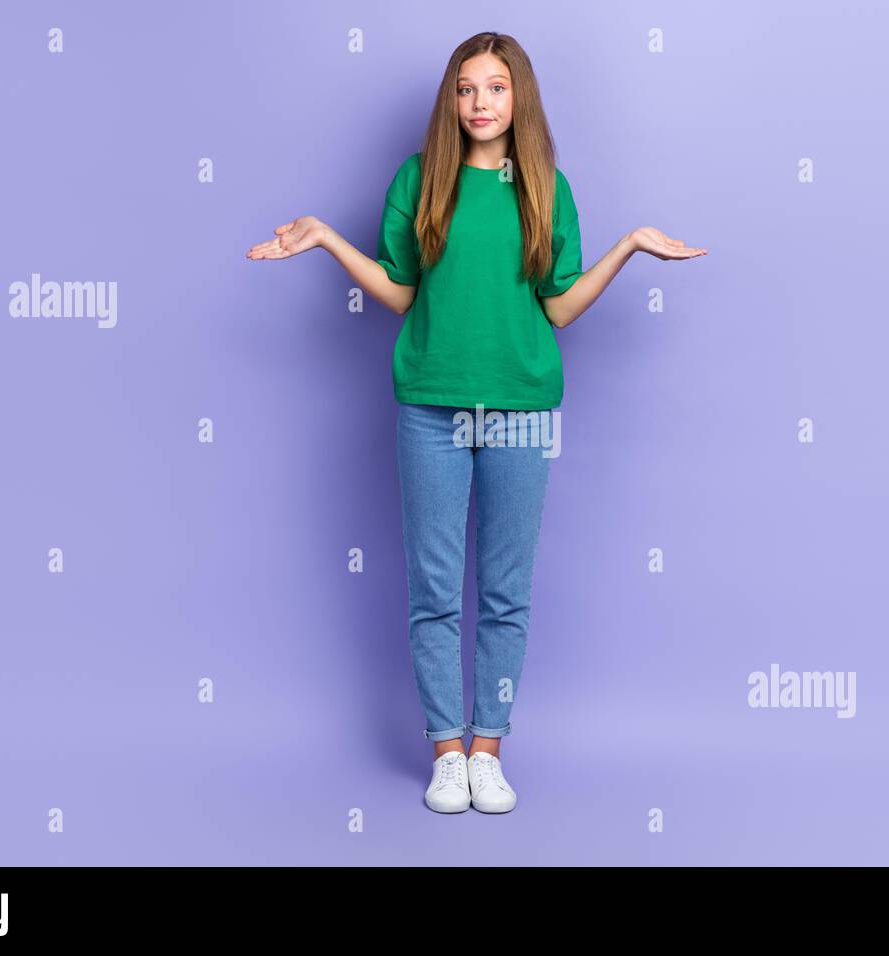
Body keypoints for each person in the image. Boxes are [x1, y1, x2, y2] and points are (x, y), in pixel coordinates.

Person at [246, 31, 706, 814]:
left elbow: (557, 306)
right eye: (466, 89)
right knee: (433, 589)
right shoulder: (420, 179)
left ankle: (488, 748)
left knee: (504, 590)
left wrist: (628, 247)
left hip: (523, 412)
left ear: (517, 97)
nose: (479, 103)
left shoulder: (545, 188)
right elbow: (398, 290)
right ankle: (446, 751)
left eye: (494, 87)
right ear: (451, 101)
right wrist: (324, 238)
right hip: (430, 406)